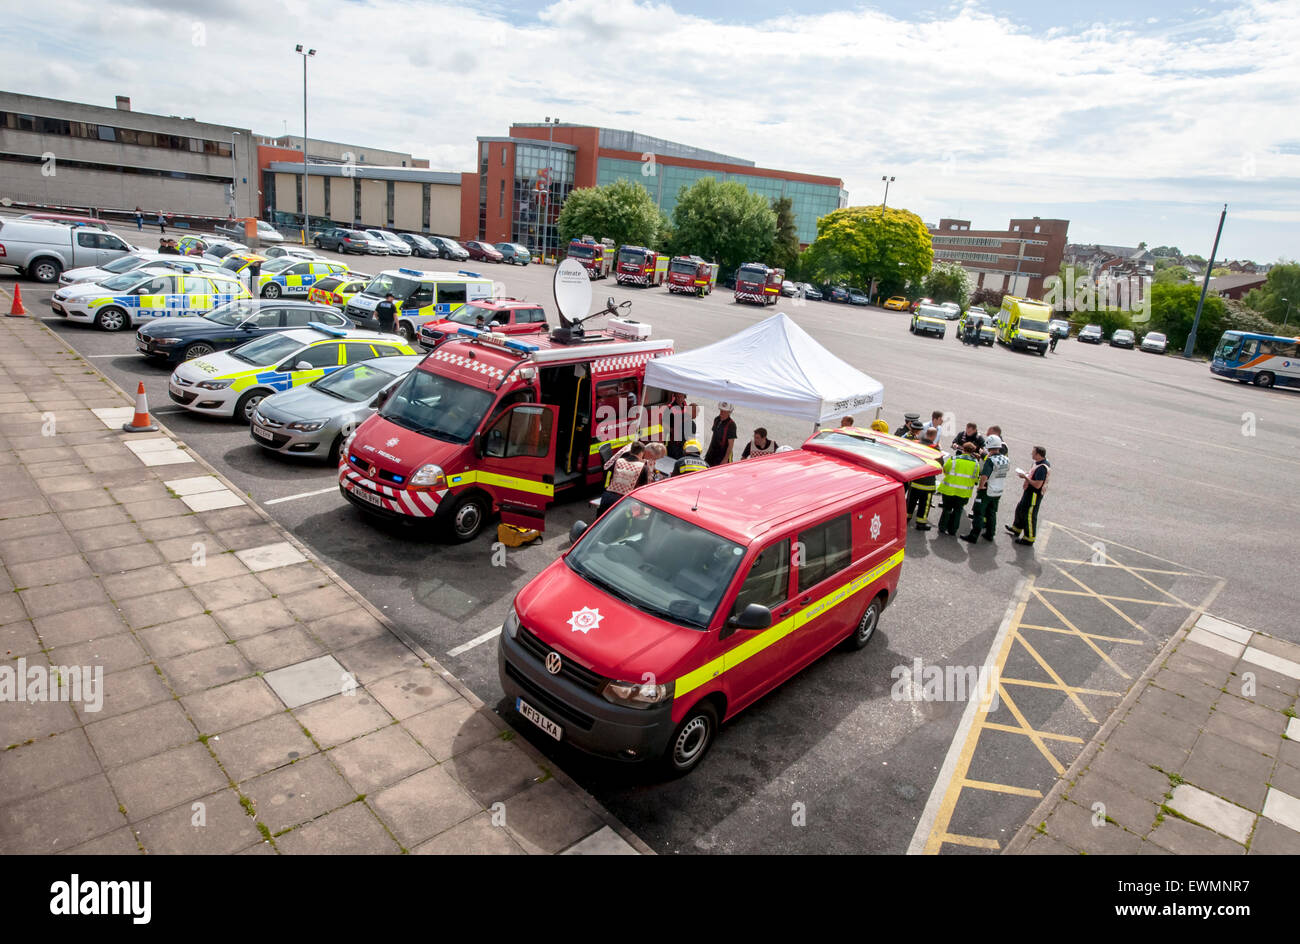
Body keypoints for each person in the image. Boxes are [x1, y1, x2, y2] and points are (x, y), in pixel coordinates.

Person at [962, 435, 1010, 542]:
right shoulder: (1005, 459)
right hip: (998, 490)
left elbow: (984, 476)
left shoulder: (990, 460)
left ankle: (973, 536)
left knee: (979, 512)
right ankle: (990, 534)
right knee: (991, 513)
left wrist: (980, 486)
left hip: (987, 490)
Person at [1006, 446, 1051, 546]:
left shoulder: (1042, 468)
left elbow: (1038, 484)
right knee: (1020, 508)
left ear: (1038, 455)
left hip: (1034, 494)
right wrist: (1026, 474)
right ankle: (1016, 528)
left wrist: (1025, 477)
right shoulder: (1037, 463)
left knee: (1029, 515)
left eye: (1033, 453)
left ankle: (1029, 538)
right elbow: (1033, 473)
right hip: (1029, 491)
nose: (1031, 454)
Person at [937, 442, 982, 535]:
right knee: (958, 510)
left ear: (963, 450)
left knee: (947, 509)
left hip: (949, 490)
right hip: (964, 492)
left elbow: (945, 470)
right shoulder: (976, 464)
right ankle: (952, 530)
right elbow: (975, 478)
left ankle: (942, 527)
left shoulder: (953, 459)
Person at [597, 441, 647, 515]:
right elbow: (642, 488)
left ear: (630, 451)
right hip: (623, 502)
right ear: (641, 453)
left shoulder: (618, 461)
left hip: (607, 496)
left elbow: (608, 475)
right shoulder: (643, 467)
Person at [907, 441, 940, 530]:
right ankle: (920, 523)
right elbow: (940, 465)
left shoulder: (918, 447)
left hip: (915, 482)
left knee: (910, 502)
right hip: (928, 485)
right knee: (924, 505)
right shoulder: (935, 450)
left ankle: (906, 518)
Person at [704, 402, 737, 467]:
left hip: (722, 455)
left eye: (724, 411)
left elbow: (731, 445)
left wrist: (725, 459)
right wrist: (708, 452)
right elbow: (713, 437)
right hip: (712, 453)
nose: (722, 413)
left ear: (729, 412)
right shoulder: (717, 419)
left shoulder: (731, 425)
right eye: (721, 410)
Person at [665, 392, 690, 459]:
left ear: (684, 397)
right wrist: (671, 430)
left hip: (684, 439)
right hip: (673, 441)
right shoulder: (670, 408)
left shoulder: (685, 406)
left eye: (681, 397)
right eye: (678, 397)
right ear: (675, 397)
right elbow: (664, 423)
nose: (680, 399)